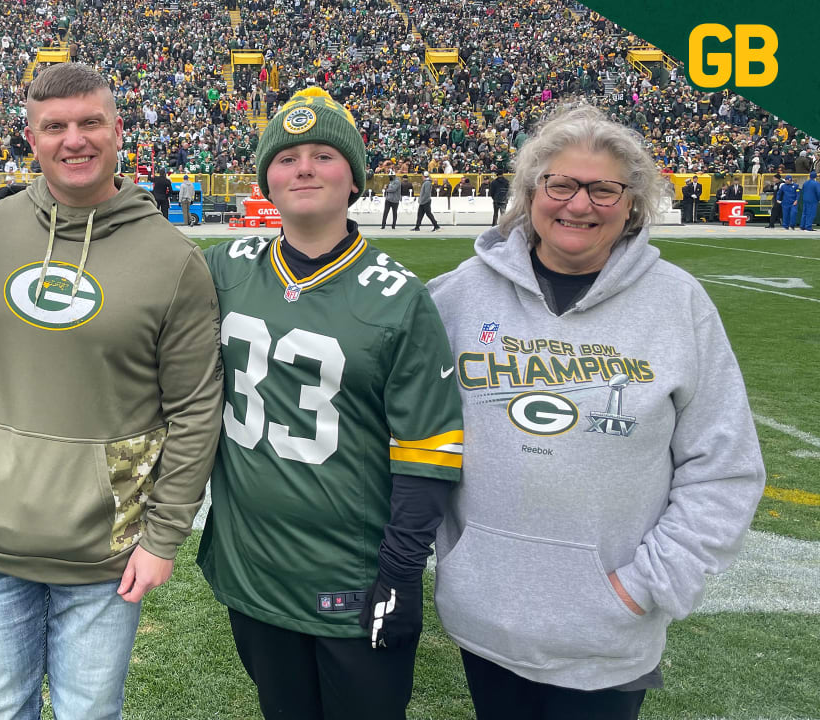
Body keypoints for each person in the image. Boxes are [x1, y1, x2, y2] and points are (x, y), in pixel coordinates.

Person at [427, 104, 765, 720]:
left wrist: (645, 589)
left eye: (603, 189)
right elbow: (405, 432)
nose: (578, 205)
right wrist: (458, 564)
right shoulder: (456, 297)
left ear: (633, 204)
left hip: (608, 632)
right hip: (485, 618)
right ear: (531, 192)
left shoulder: (679, 305)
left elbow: (724, 467)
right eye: (560, 184)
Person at [0, 62, 222, 720]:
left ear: (119, 131)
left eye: (90, 122)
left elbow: (195, 412)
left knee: (89, 714)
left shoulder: (174, 260)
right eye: (55, 127)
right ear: (31, 139)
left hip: (107, 551)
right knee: (0, 709)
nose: (74, 139)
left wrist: (162, 541)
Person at [198, 87, 463, 720]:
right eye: (286, 158)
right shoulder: (222, 268)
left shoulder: (399, 298)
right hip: (252, 568)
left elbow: (430, 448)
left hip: (350, 573)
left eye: (324, 155)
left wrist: (400, 573)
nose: (305, 168)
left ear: (355, 179)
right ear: (266, 179)